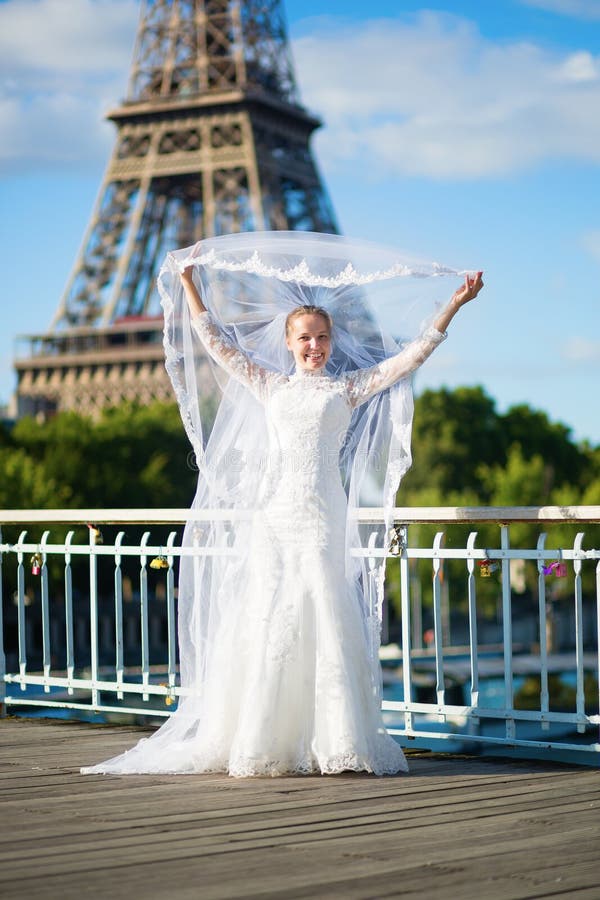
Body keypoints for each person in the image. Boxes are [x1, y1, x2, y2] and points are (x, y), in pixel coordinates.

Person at [81, 231, 483, 778]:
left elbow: (413, 356)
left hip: (320, 515)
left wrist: (453, 306)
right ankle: (265, 738)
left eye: (321, 337)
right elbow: (218, 344)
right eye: (304, 338)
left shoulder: (348, 389)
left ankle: (335, 738)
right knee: (270, 616)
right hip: (274, 516)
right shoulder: (269, 385)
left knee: (320, 606)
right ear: (290, 342)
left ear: (332, 340)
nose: (313, 346)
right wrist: (190, 285)